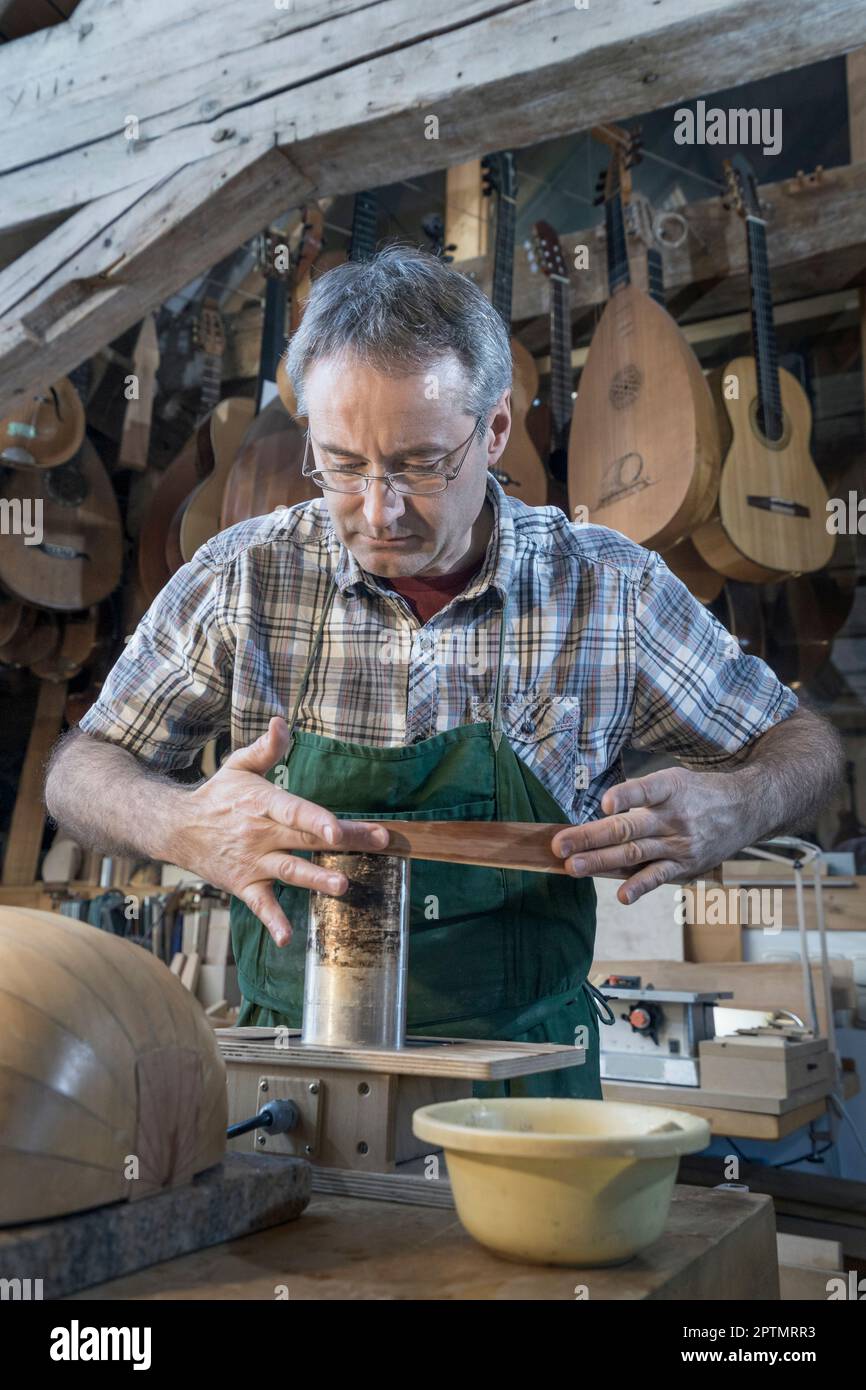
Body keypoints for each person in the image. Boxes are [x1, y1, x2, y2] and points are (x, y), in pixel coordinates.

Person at [45, 245, 843, 1099]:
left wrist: (737, 804)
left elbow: (806, 746)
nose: (379, 509)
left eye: (422, 464)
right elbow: (79, 772)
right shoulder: (244, 574)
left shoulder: (611, 589)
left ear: (495, 430)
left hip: (528, 1088)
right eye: (343, 465)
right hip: (289, 1077)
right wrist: (181, 826)